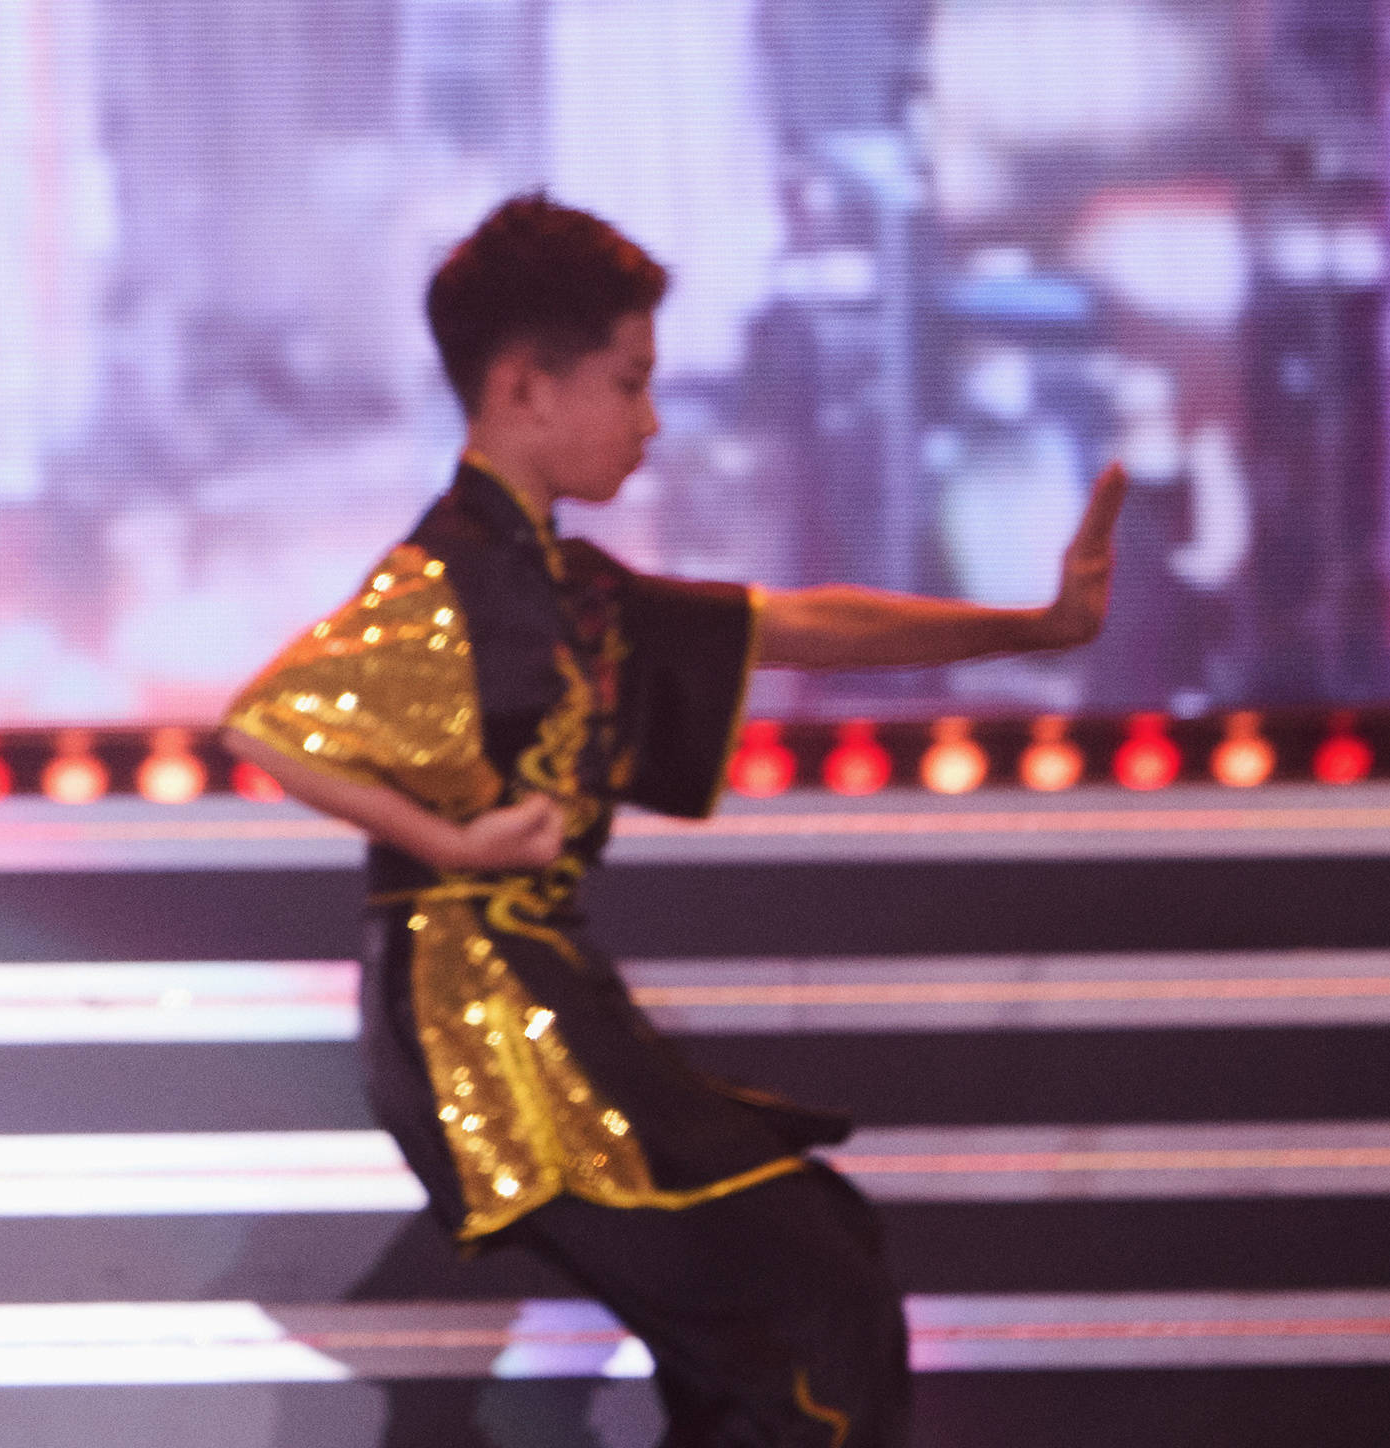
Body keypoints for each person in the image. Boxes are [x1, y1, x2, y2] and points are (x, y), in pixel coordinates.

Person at [225, 193, 1127, 1448]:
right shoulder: (448, 578)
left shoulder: (569, 590)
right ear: (525, 388)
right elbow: (270, 721)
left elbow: (802, 623)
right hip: (489, 1029)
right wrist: (451, 845)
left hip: (539, 1004)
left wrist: (1029, 626)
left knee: (805, 1280)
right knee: (806, 1291)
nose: (649, 421)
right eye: (629, 383)